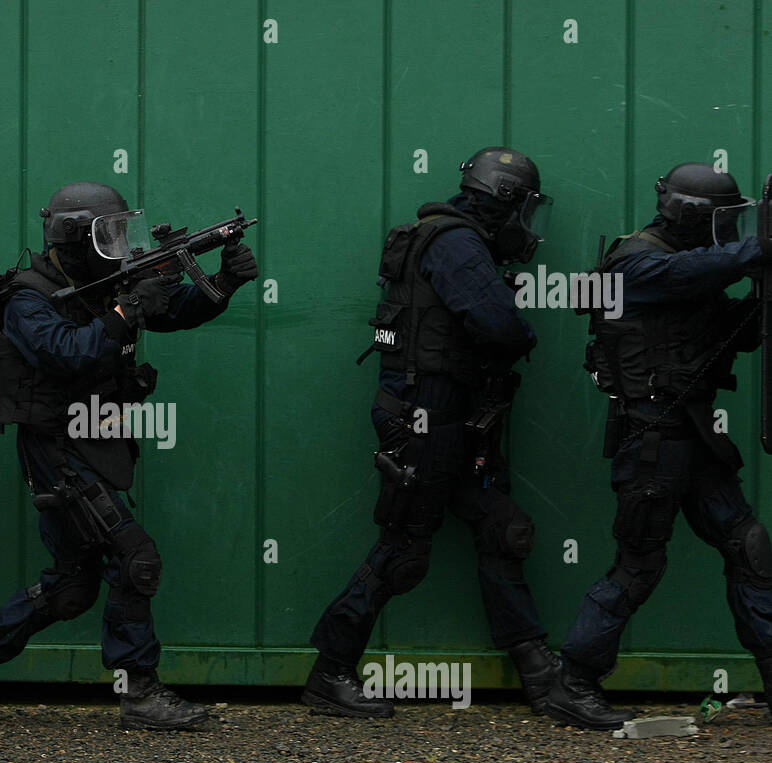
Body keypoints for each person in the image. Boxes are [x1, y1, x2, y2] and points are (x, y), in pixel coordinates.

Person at [0, 181, 258, 730]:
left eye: (122, 231)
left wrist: (222, 282)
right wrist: (129, 309)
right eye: (109, 233)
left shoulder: (106, 281)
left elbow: (174, 311)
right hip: (56, 448)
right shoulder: (24, 296)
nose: (120, 243)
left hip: (97, 440)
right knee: (136, 558)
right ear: (74, 236)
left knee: (74, 585)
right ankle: (140, 691)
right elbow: (64, 353)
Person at [303, 148, 560, 718]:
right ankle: (331, 672)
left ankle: (542, 679)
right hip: (427, 414)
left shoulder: (448, 237)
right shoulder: (456, 243)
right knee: (402, 551)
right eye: (526, 207)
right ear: (506, 199)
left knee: (503, 529)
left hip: (451, 414)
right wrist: (520, 329)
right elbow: (501, 328)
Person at [546, 162, 772, 729]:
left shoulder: (693, 271)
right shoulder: (636, 261)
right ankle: (573, 681)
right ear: (692, 215)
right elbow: (684, 272)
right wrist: (759, 252)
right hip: (652, 440)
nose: (730, 231)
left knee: (749, 546)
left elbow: (736, 333)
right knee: (640, 564)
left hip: (693, 435)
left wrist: (761, 292)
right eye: (723, 219)